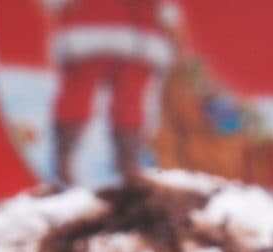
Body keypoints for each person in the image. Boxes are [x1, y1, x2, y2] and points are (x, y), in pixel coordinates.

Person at [42, 0, 184, 186]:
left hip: (137, 33)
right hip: (99, 26)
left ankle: (127, 163)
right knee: (81, 96)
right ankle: (65, 159)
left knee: (128, 101)